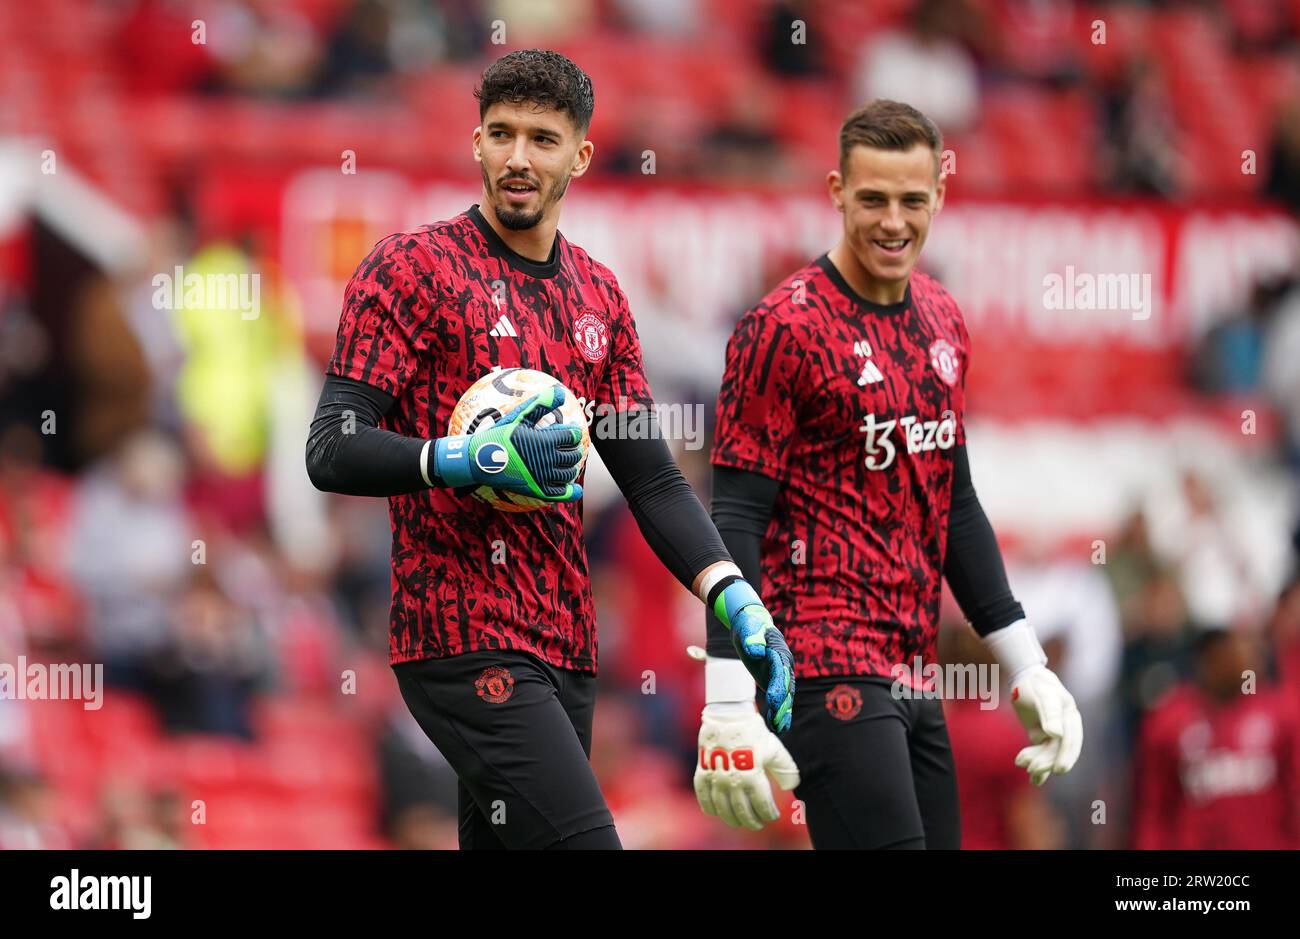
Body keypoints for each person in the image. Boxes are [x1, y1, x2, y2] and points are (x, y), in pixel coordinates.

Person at [305, 49, 793, 850]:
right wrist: (459, 460)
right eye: (501, 134)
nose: (519, 158)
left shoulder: (599, 297)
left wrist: (732, 594)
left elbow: (654, 479)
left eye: (542, 138)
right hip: (458, 633)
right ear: (477, 142)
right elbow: (332, 445)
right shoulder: (411, 271)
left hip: (564, 639)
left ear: (580, 155)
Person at [693, 99, 1082, 848]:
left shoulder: (943, 318)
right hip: (822, 663)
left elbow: (956, 504)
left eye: (912, 199)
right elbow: (734, 519)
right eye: (872, 198)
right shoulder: (782, 328)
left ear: (940, 195)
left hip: (916, 670)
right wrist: (729, 695)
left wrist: (1026, 665)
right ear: (837, 191)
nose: (893, 220)